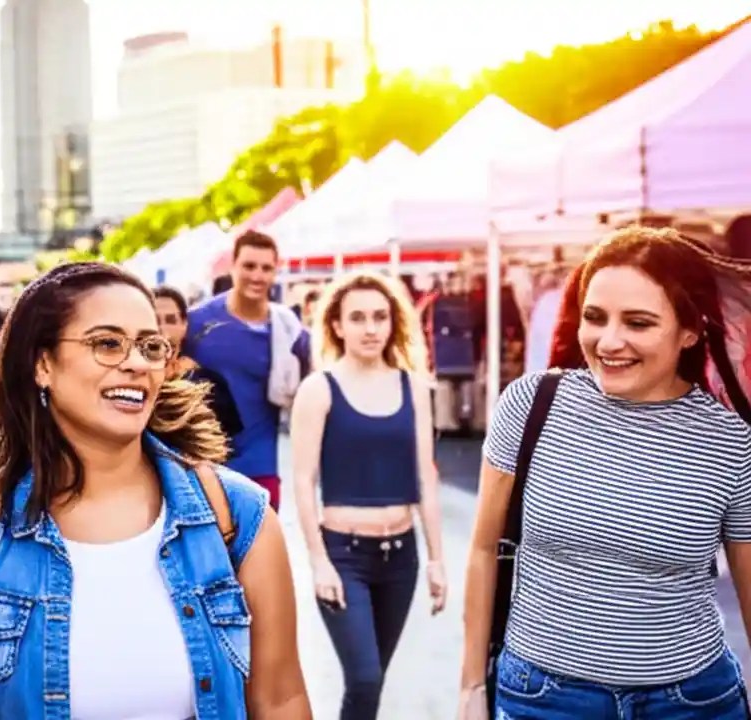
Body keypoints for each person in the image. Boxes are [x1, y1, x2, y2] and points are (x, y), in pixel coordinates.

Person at [0, 262, 310, 718]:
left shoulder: (239, 517)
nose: (136, 363)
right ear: (42, 364)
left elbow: (280, 700)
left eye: (151, 347)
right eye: (107, 344)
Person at [459, 226, 751, 719]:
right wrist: (470, 688)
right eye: (595, 318)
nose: (609, 341)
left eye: (638, 323)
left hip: (690, 704)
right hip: (542, 701)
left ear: (690, 331)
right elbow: (484, 550)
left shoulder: (730, 440)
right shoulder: (531, 405)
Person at [290, 271, 447, 720]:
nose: (370, 328)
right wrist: (319, 562)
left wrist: (436, 558)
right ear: (336, 325)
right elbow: (303, 481)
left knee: (373, 679)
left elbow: (425, 476)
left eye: (380, 317)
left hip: (401, 557)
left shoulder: (413, 387)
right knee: (364, 677)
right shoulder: (318, 389)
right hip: (345, 555)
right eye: (357, 317)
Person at [185, 230, 311, 510]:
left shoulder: (288, 331)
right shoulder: (196, 323)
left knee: (262, 552)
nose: (257, 275)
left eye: (266, 268)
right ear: (233, 266)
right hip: (205, 466)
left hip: (261, 466)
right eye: (249, 266)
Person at [154, 285, 243, 440]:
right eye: (155, 320)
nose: (162, 329)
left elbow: (227, 438)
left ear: (184, 324)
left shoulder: (208, 383)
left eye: (170, 320)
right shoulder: (134, 377)